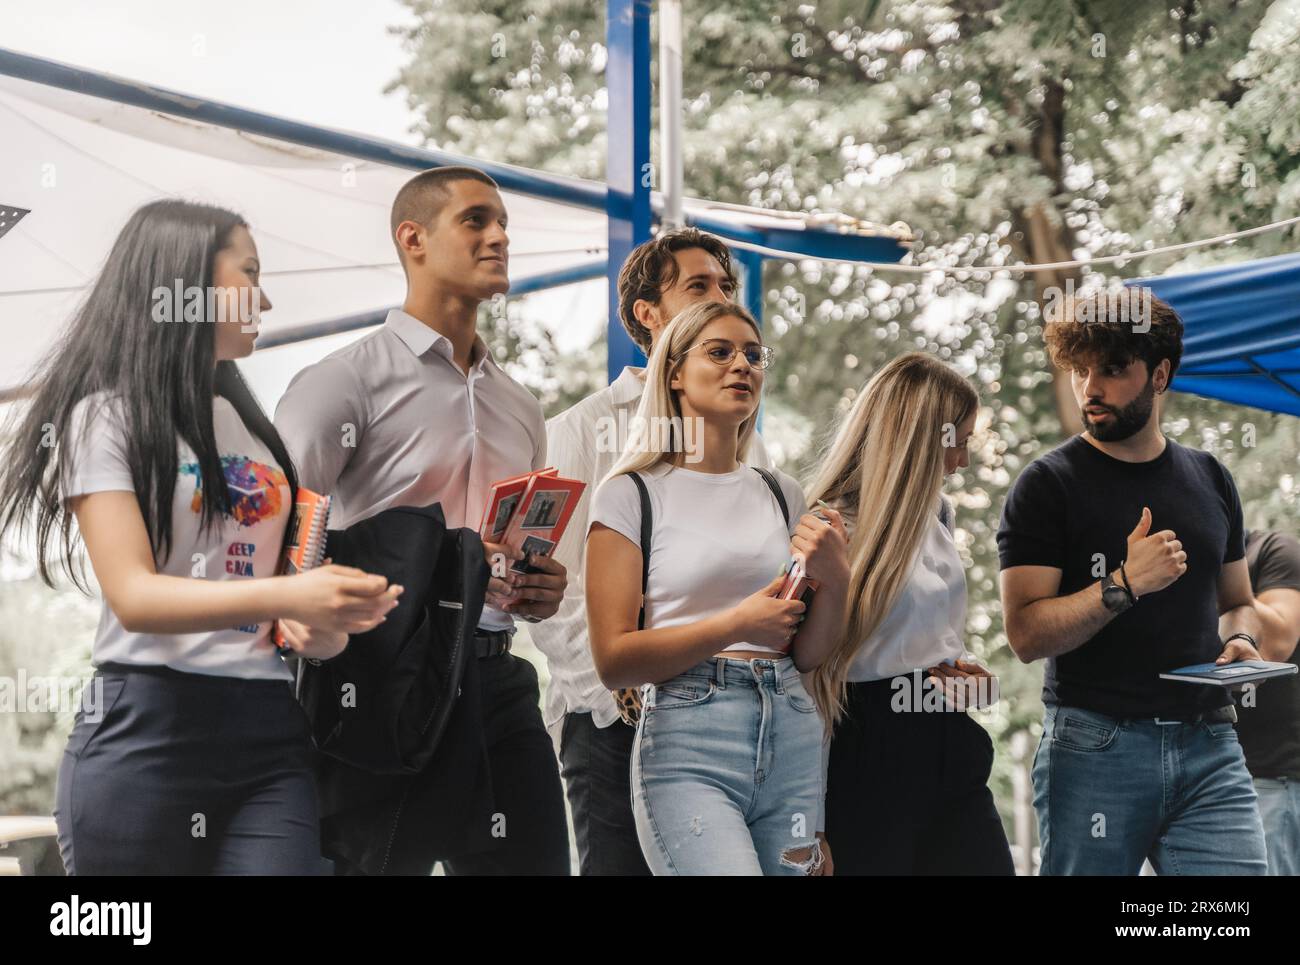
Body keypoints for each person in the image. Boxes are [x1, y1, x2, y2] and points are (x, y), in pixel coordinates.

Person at [0, 200, 398, 875]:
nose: (265, 297)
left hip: (269, 726)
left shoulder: (252, 427)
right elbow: (135, 596)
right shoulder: (105, 416)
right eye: (249, 272)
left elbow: (285, 615)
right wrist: (294, 592)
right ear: (184, 282)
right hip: (147, 725)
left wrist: (323, 626)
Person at [274, 166, 571, 875]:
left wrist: (538, 586)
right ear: (413, 238)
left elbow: (513, 559)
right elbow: (282, 543)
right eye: (476, 220)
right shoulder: (342, 382)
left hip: (498, 682)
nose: (500, 235)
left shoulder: (521, 406)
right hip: (381, 683)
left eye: (504, 222)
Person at [530, 227, 776, 875]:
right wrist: (623, 693)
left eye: (726, 286)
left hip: (727, 722)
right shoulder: (580, 430)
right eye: (699, 285)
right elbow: (553, 590)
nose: (719, 294)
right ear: (647, 312)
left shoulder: (752, 447)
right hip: (610, 726)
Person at [998, 288, 1267, 875]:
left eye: (1113, 369)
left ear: (1161, 374)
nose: (1091, 387)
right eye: (1080, 369)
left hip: (1210, 743)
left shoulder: (1211, 477)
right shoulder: (1047, 485)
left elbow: (1239, 603)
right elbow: (1024, 634)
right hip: (1096, 747)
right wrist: (1123, 584)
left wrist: (1243, 643)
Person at [585, 300, 849, 875]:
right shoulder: (629, 494)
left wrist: (838, 577)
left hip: (791, 731)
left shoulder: (782, 494)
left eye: (754, 355)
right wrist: (736, 624)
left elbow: (809, 652)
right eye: (721, 351)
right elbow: (613, 661)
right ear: (674, 372)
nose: (743, 366)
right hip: (688, 739)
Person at [806, 352, 1014, 874]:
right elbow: (806, 677)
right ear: (922, 441)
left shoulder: (937, 512)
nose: (963, 460)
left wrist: (965, 672)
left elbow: (932, 631)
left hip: (947, 739)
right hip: (865, 752)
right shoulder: (829, 525)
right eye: (960, 443)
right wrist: (808, 819)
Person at [1235, 529, 1300, 874]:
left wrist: (1214, 571)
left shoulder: (1274, 548)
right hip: (1207, 773)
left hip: (1271, 776)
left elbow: (1276, 646)